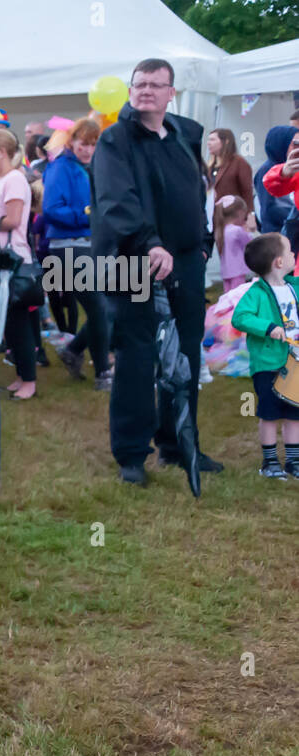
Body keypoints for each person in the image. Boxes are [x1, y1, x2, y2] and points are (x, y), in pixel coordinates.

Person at [92, 57, 221, 487]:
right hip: (132, 260)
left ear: (171, 93)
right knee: (137, 355)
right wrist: (149, 243)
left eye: (155, 84)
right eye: (139, 83)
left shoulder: (184, 136)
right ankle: (131, 454)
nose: (145, 90)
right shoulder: (115, 141)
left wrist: (203, 243)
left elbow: (194, 193)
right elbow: (116, 201)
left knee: (186, 352)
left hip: (184, 261)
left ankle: (180, 444)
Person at [45, 118, 111, 390]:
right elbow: (50, 208)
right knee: (99, 309)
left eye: (93, 144)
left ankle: (73, 350)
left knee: (104, 309)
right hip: (68, 247)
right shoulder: (61, 167)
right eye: (83, 143)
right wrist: (86, 217)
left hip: (89, 244)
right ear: (71, 141)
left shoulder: (88, 167)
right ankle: (103, 373)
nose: (88, 149)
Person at [232, 234, 299, 479]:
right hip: (267, 364)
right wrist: (268, 328)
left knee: (295, 414)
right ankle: (269, 461)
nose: (295, 254)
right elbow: (240, 317)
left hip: (294, 365)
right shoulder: (257, 293)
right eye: (291, 250)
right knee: (269, 414)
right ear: (279, 262)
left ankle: (294, 461)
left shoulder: (295, 287)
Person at [0, 128, 39, 401]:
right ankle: (22, 376)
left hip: (11, 263)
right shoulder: (2, 179)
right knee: (13, 323)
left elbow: (14, 219)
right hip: (1, 261)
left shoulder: (14, 179)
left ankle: (29, 381)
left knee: (18, 322)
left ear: (1, 152)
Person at [256, 126, 297, 236]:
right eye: (295, 143)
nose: (297, 148)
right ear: (281, 143)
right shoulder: (268, 169)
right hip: (277, 232)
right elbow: (269, 207)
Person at [206, 127, 254, 215]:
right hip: (212, 216)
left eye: (212, 140)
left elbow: (247, 192)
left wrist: (250, 215)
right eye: (208, 140)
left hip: (231, 216)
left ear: (226, 141)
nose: (208, 143)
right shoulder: (210, 165)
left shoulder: (239, 162)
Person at [214, 195, 252, 292]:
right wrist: (248, 231)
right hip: (237, 271)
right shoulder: (237, 231)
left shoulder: (220, 230)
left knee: (228, 297)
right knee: (238, 296)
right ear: (240, 213)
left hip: (225, 271)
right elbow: (250, 244)